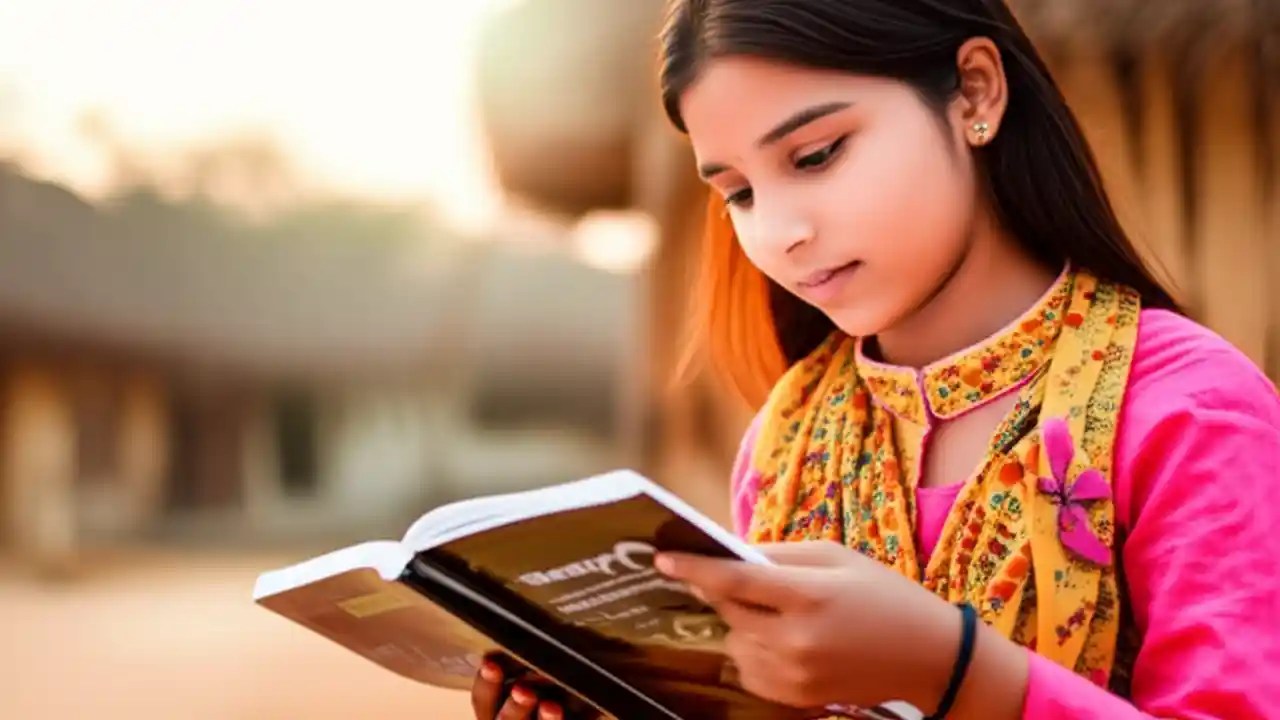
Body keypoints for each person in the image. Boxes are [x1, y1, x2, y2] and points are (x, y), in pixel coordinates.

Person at [470, 1, 1280, 718]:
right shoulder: (786, 443)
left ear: (974, 92)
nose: (781, 232)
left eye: (816, 155)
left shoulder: (1187, 411)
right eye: (740, 193)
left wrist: (956, 669)